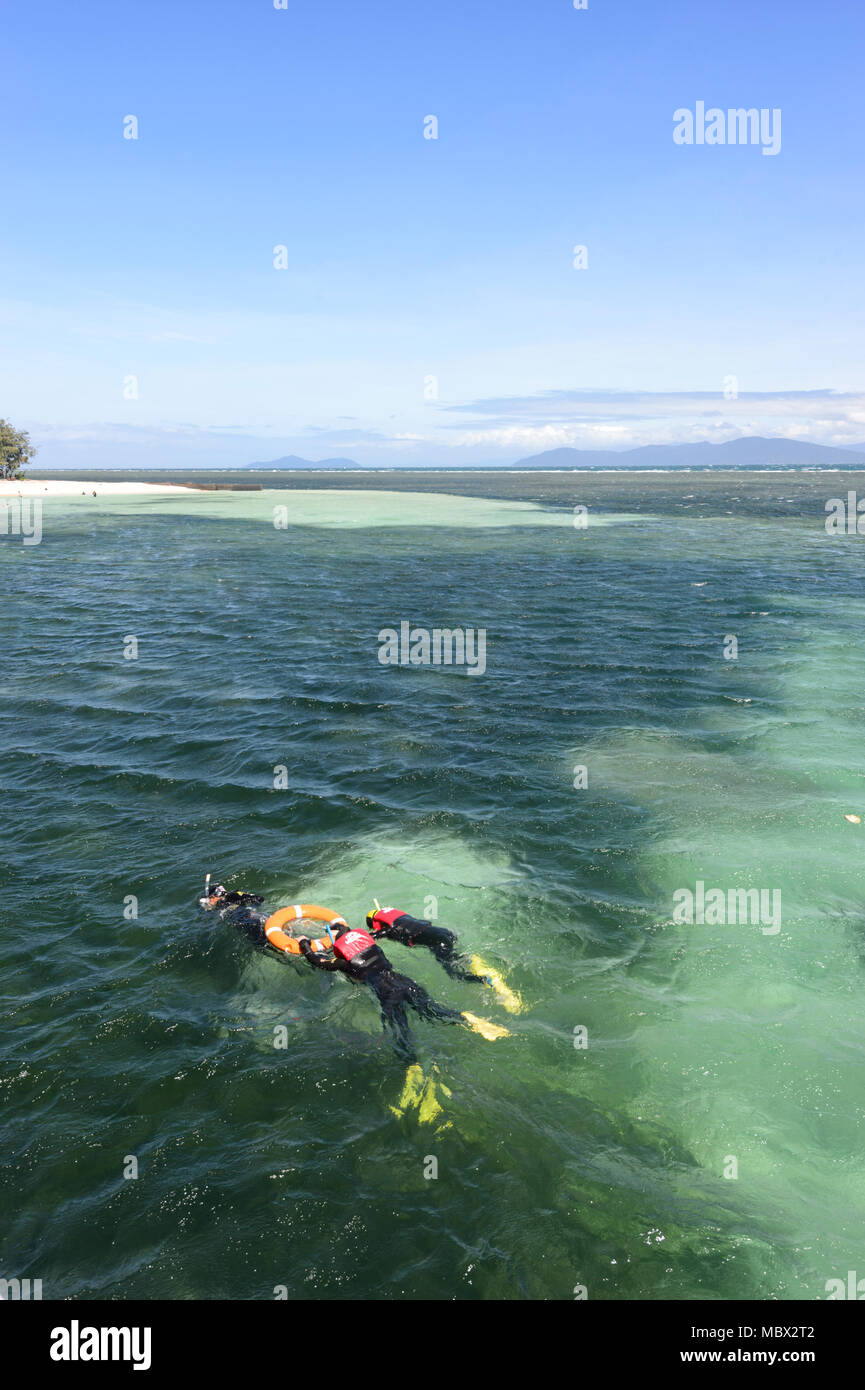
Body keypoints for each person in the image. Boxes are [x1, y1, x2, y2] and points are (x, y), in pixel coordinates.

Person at [297, 923, 508, 1062]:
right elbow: (351, 932)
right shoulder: (370, 946)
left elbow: (318, 961)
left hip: (388, 994)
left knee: (402, 1035)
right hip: (404, 982)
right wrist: (338, 929)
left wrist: (305, 944)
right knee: (433, 1010)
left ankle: (412, 1067)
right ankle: (469, 1019)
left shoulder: (343, 962)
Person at [366, 902, 522, 1013]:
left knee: (454, 974)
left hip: (439, 942)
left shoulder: (392, 929)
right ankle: (473, 960)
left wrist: (363, 937)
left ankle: (487, 980)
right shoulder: (400, 919)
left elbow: (375, 936)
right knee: (455, 958)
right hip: (445, 933)